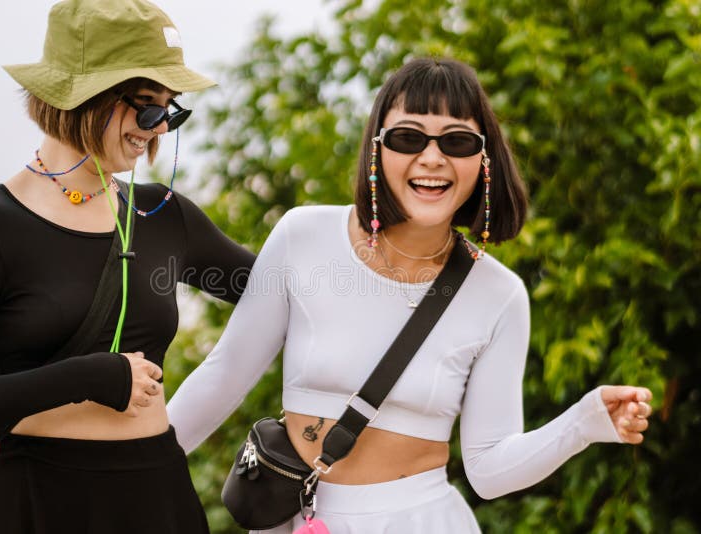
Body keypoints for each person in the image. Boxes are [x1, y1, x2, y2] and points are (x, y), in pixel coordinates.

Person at [166, 57, 654, 533]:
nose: (432, 157)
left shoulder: (500, 295)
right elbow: (224, 375)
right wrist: (128, 468)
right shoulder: (303, 236)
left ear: (484, 160)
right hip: (295, 517)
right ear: (377, 149)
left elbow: (487, 470)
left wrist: (584, 423)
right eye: (408, 137)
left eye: (458, 141)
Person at [0, 1, 254, 532]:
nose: (157, 130)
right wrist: (84, 377)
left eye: (170, 110)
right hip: (36, 502)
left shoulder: (164, 216)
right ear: (85, 96)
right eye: (146, 107)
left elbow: (281, 290)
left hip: (157, 496)